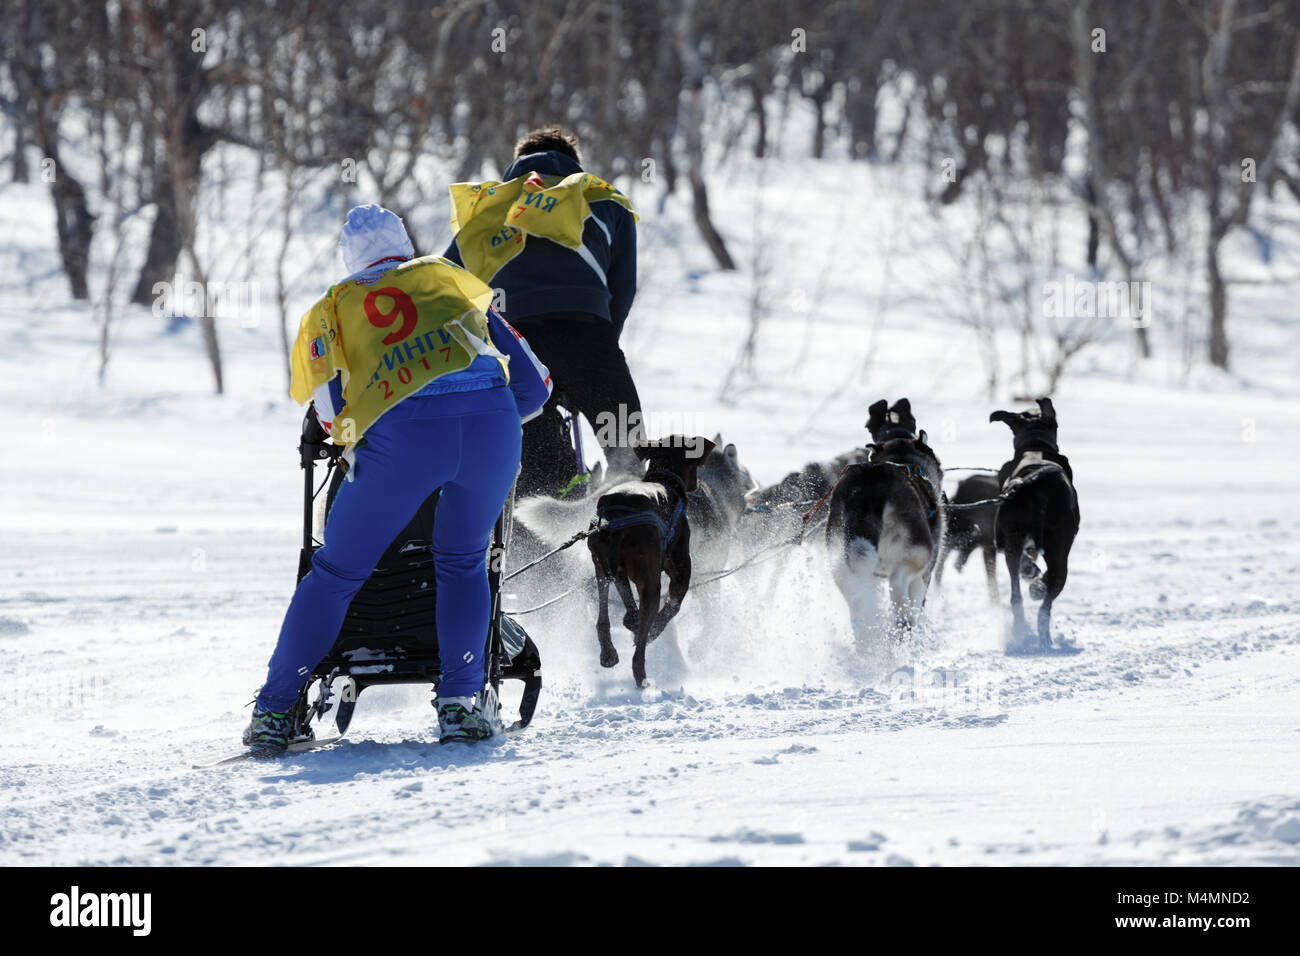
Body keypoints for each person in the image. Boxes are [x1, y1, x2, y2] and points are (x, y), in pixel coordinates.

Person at [245, 204, 551, 756]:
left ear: (349, 262)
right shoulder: (452, 282)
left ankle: (273, 712)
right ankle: (459, 704)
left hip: (403, 439)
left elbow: (333, 414)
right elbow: (535, 386)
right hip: (492, 429)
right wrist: (481, 413)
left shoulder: (333, 308)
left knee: (335, 572)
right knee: (463, 563)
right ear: (406, 250)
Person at [442, 126, 641, 498]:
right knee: (628, 457)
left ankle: (542, 549)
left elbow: (450, 284)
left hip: (518, 349)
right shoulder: (603, 198)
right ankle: (639, 536)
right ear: (574, 166)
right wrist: (597, 348)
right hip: (589, 335)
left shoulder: (488, 206)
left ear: (514, 165)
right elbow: (624, 288)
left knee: (541, 482)